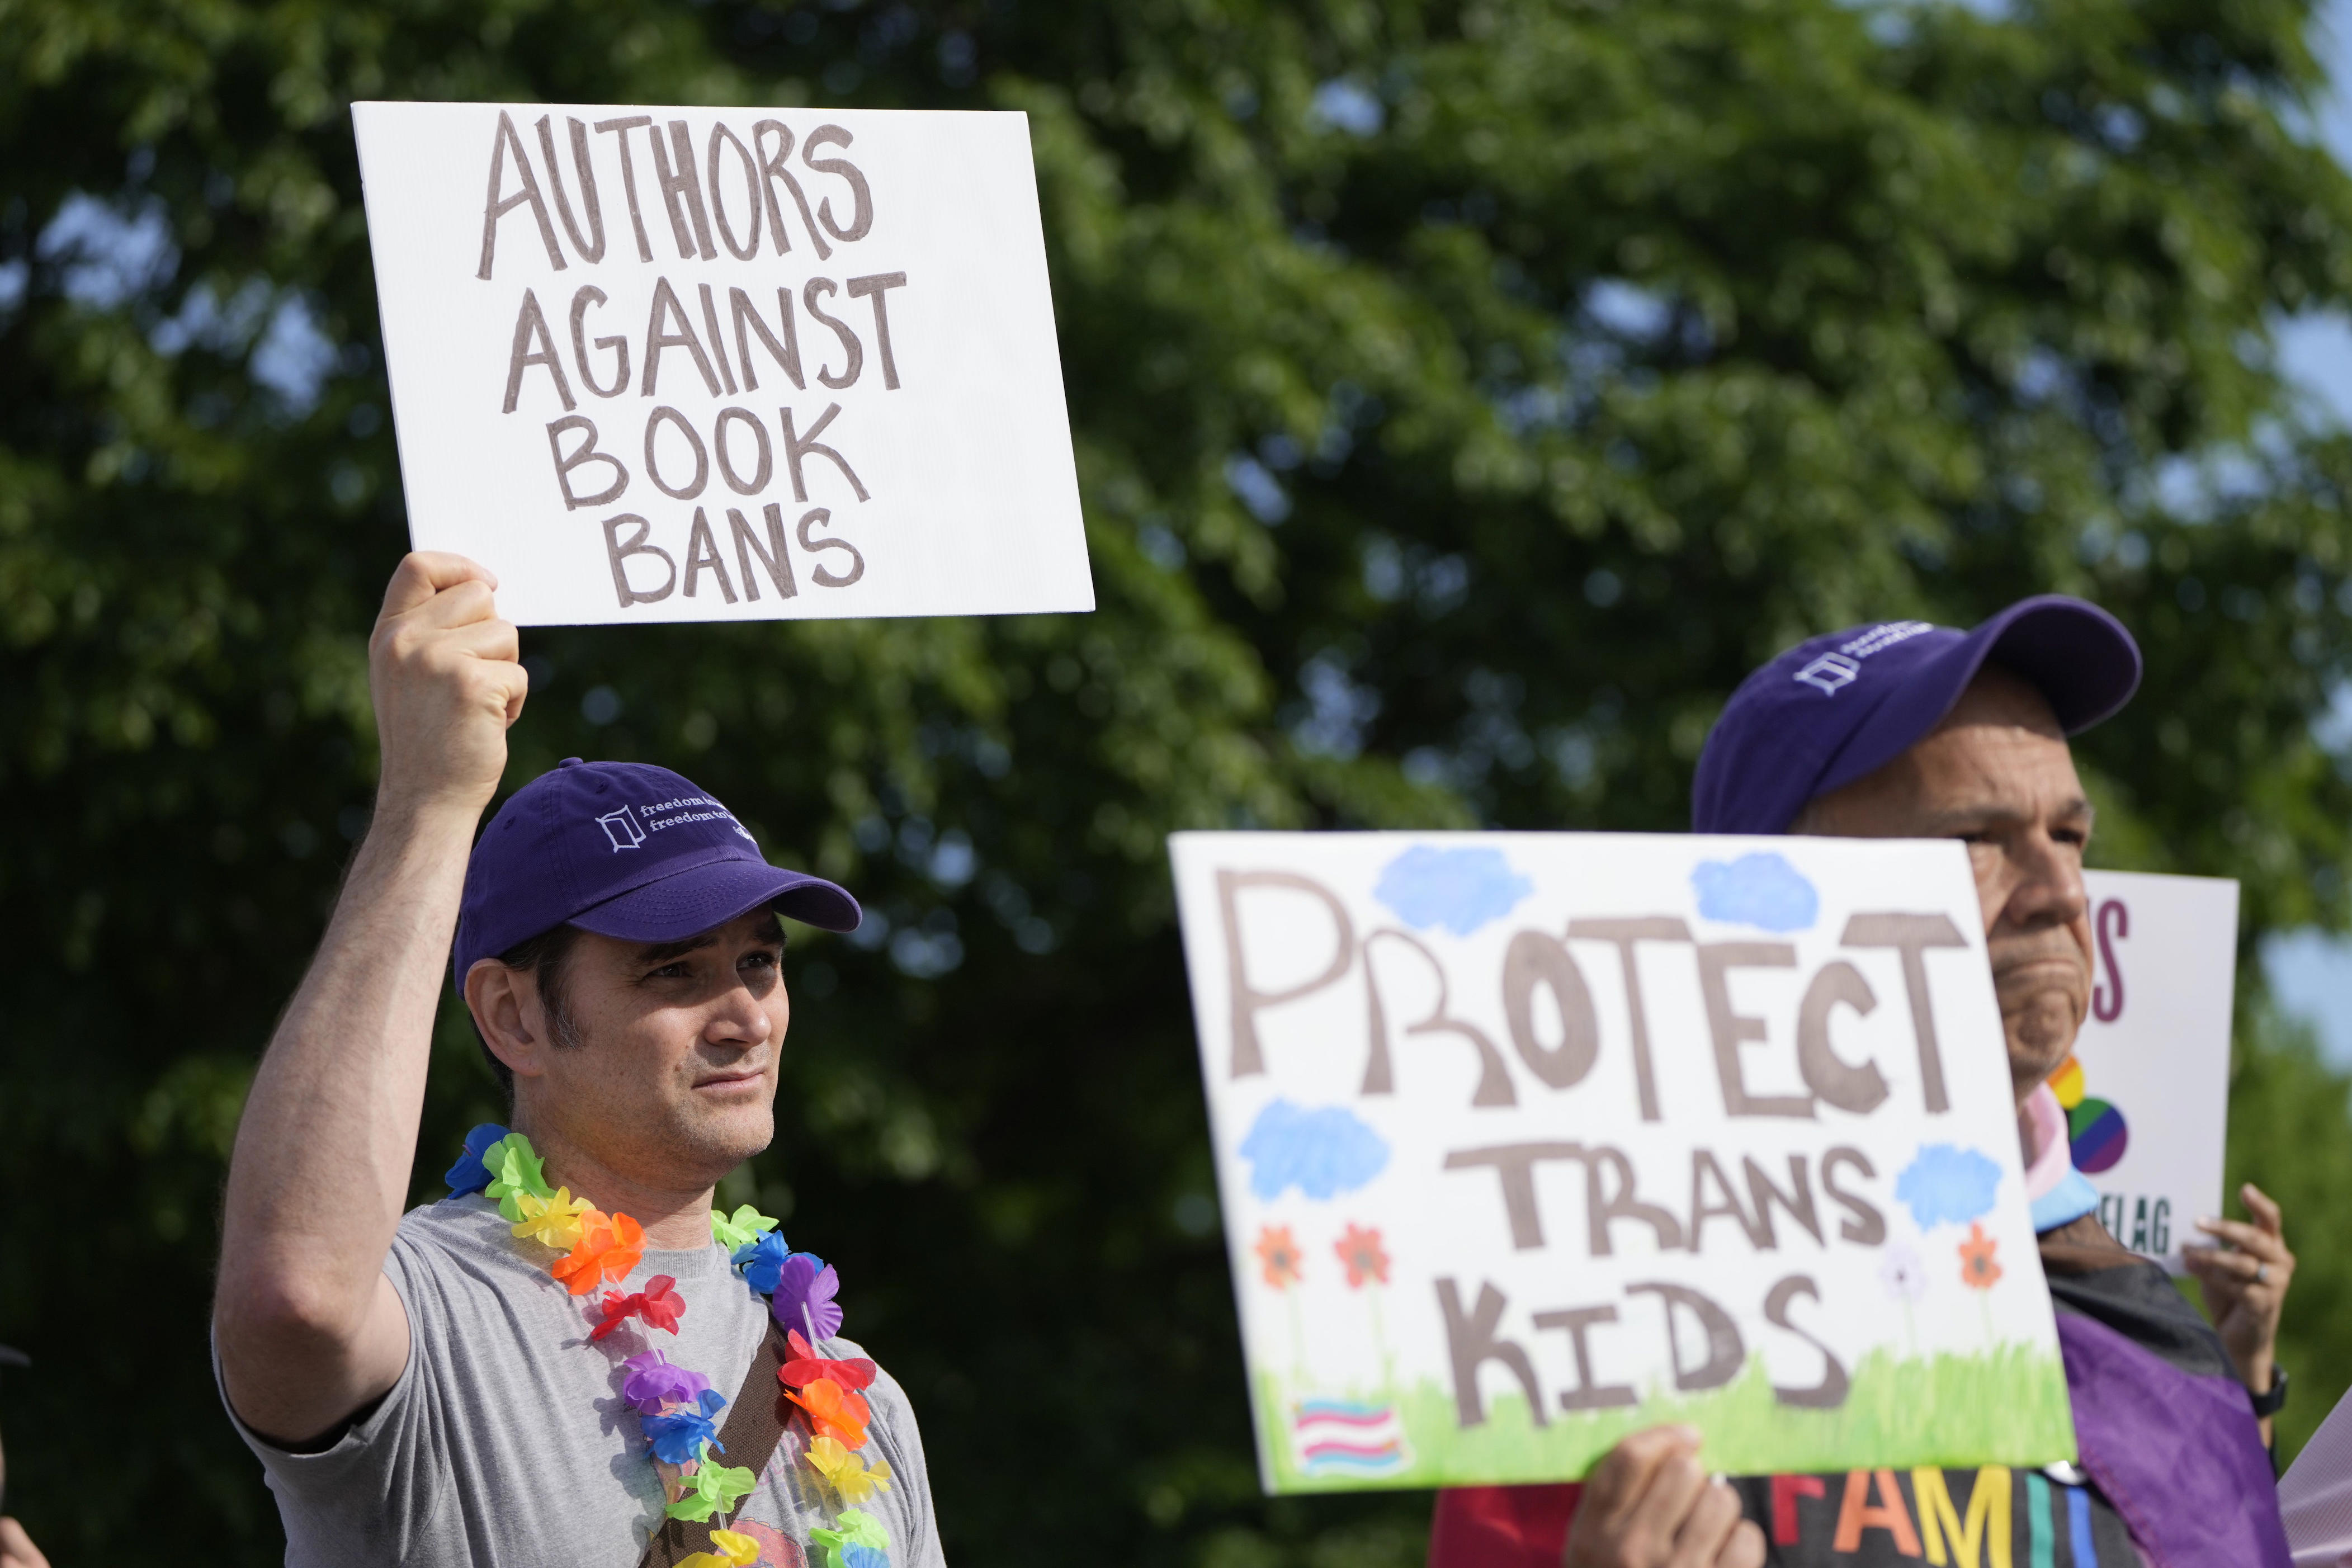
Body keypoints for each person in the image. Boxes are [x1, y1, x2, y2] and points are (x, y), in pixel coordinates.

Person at [1429, 598, 2290, 1568]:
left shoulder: (2161, 1345)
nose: (2059, 891)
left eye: (2069, 835)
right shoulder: (1603, 1323)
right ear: (1763, 904)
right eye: (1972, 836)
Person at [211, 554, 943, 1566]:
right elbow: (291, 1294)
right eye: (674, 971)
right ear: (512, 1019)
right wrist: (426, 805)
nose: (745, 1014)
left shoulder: (858, 1393)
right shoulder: (431, 1309)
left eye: (761, 961)